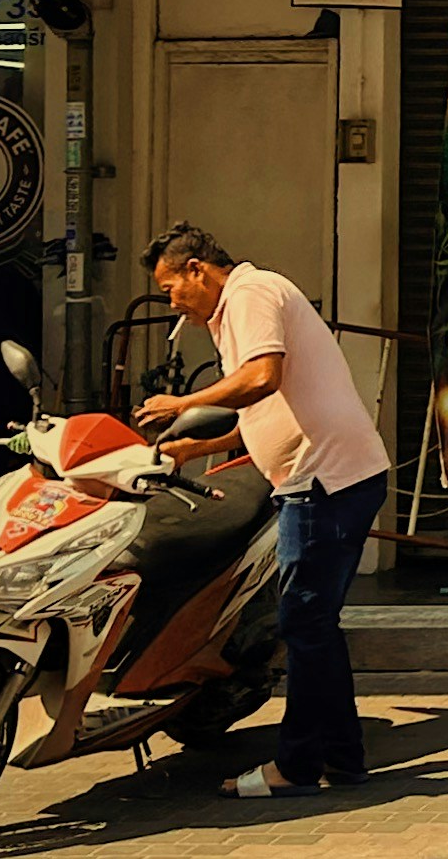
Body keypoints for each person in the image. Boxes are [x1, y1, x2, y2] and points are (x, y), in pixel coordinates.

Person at [137, 223, 393, 799]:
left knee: (303, 622)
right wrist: (195, 447)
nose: (170, 301)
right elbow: (268, 413)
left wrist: (182, 402)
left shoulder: (250, 295)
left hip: (324, 481)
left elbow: (260, 380)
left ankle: (297, 768)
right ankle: (344, 760)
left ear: (198, 270)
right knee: (313, 625)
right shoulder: (236, 310)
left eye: (171, 287)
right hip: (328, 478)